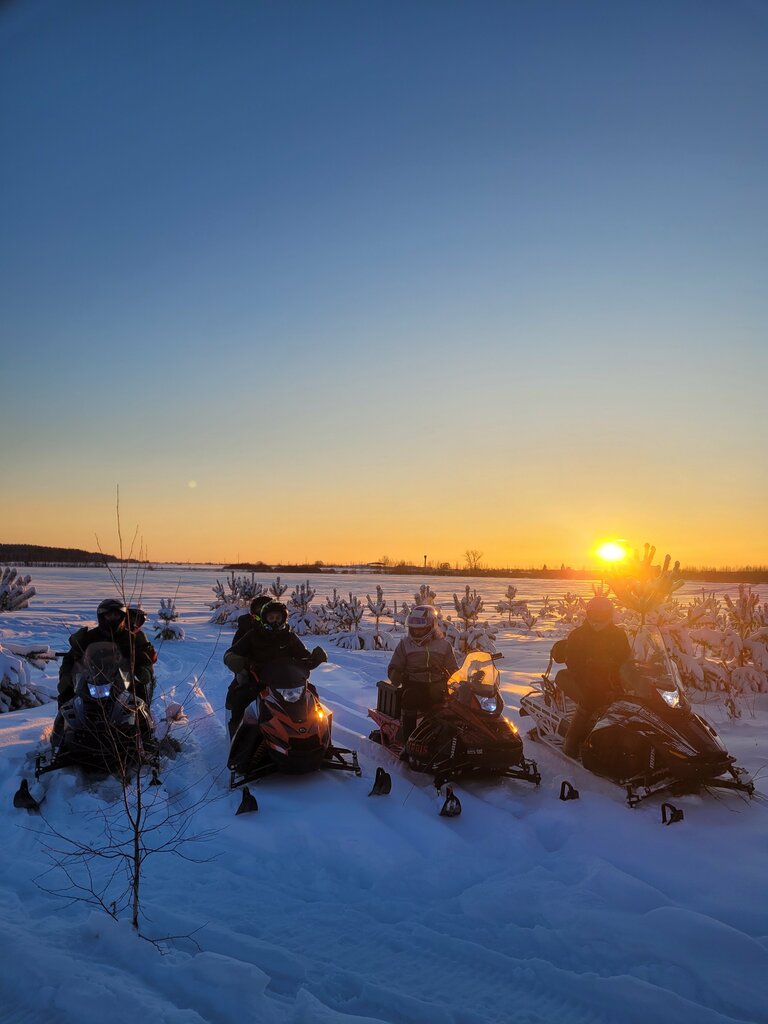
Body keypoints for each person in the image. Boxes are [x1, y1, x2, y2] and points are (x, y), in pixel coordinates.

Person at [223, 601, 327, 737]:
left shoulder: (289, 637)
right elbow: (231, 653)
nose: (275, 621)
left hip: (288, 683)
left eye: (278, 618)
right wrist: (240, 661)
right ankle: (237, 738)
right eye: (271, 618)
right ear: (265, 618)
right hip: (259, 681)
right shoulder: (253, 635)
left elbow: (303, 657)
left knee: (312, 696)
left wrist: (314, 659)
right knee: (241, 698)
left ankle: (319, 737)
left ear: (284, 619)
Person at [556, 595, 631, 758]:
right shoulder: (578, 635)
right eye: (594, 614)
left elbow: (626, 657)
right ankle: (571, 741)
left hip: (611, 678)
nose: (597, 619)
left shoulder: (618, 635)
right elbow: (572, 661)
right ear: (588, 614)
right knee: (590, 700)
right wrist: (590, 669)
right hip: (583, 678)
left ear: (609, 615)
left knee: (630, 701)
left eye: (602, 615)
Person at [58, 598, 158, 707]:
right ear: (102, 616)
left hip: (124, 680)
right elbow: (71, 657)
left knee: (139, 701)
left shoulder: (131, 638)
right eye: (109, 615)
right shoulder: (89, 636)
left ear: (123, 616)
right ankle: (62, 722)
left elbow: (144, 658)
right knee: (67, 700)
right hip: (92, 679)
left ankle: (144, 721)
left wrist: (144, 669)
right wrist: (66, 675)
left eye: (116, 615)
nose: (112, 618)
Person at [387, 605, 459, 753]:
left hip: (438, 686)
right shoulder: (405, 644)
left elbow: (453, 669)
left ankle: (453, 741)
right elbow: (395, 664)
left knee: (455, 706)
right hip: (414, 684)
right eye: (414, 628)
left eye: (420, 628)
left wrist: (459, 680)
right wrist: (395, 673)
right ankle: (408, 743)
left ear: (431, 626)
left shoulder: (444, 645)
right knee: (410, 698)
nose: (416, 631)